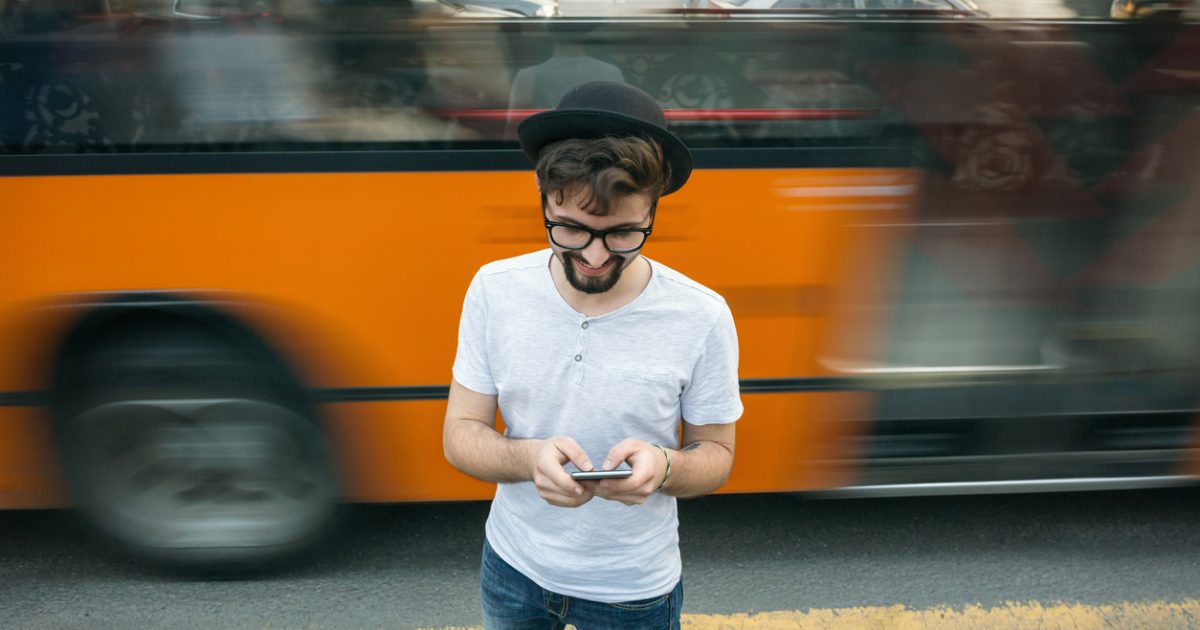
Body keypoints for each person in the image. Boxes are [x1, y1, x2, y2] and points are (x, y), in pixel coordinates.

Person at [443, 81, 743, 629]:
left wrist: (668, 466)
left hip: (635, 590)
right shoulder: (494, 288)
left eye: (624, 233)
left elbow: (717, 454)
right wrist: (530, 459)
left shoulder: (702, 314)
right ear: (544, 200)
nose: (596, 256)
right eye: (571, 229)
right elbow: (460, 434)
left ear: (653, 212)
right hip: (512, 569)